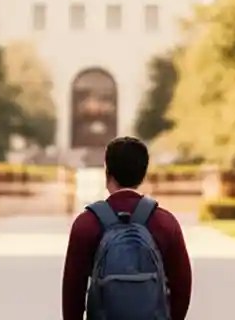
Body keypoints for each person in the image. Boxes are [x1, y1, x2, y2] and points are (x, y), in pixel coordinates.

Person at [62, 136, 192, 320]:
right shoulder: (164, 223)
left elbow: (73, 292)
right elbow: (182, 286)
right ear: (143, 173)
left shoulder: (87, 224)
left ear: (107, 173)